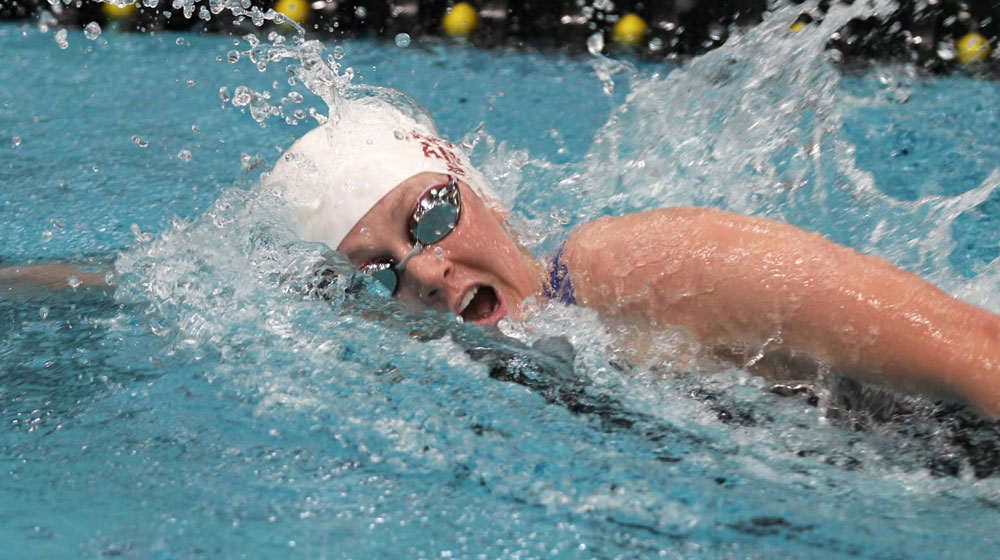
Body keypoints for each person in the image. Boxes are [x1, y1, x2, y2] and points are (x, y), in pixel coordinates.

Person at [6, 96, 1000, 419]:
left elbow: (977, 352)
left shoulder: (634, 267)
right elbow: (167, 279)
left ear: (476, 188)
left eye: (430, 216)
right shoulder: (495, 361)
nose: (422, 269)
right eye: (374, 270)